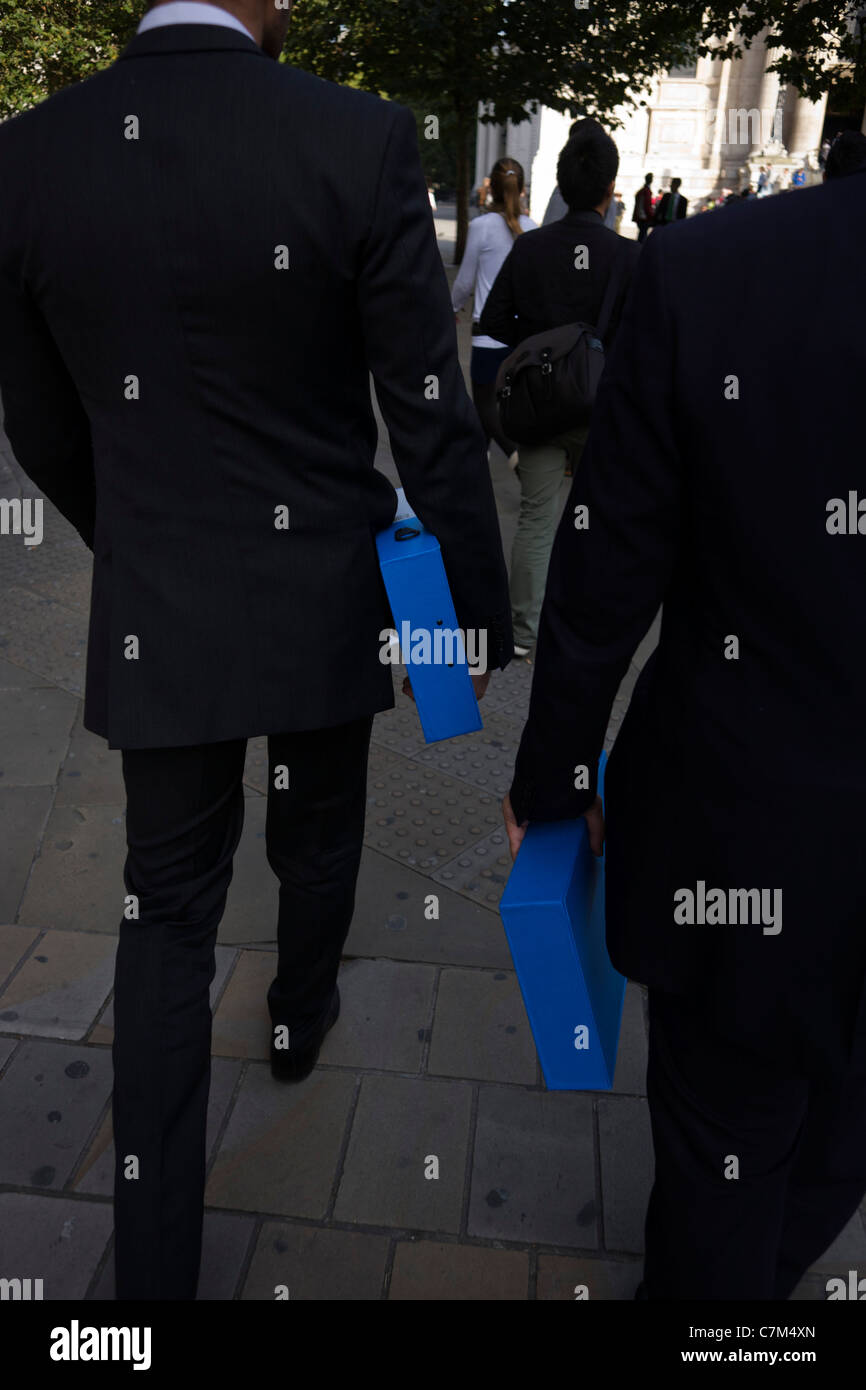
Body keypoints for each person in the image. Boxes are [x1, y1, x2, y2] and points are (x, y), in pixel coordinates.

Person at [0, 0, 512, 1300]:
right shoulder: (353, 138)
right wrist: (467, 613)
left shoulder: (33, 154)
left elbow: (42, 420)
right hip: (321, 589)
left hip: (161, 598)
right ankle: (294, 1019)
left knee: (163, 906)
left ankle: (154, 1266)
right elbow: (430, 409)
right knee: (319, 828)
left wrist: (137, 540)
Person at [503, 173, 866, 1300]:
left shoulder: (713, 266)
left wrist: (556, 780)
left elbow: (608, 568)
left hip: (739, 834)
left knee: (722, 1155)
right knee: (834, 1138)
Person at [480, 120, 640, 659]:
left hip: (541, 408)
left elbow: (494, 318)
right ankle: (587, 627)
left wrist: (537, 344)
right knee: (599, 520)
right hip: (605, 409)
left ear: (560, 185)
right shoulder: (628, 258)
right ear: (610, 190)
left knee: (536, 517)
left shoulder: (530, 249)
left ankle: (524, 632)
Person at [452, 158, 536, 466]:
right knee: (502, 404)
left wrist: (451, 307)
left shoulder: (480, 227)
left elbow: (464, 280)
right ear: (522, 189)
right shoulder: (532, 229)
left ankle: (515, 459)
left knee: (486, 405)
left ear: (491, 189)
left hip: (487, 334)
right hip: (520, 336)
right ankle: (478, 458)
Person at [632, 172, 654, 242]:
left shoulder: (642, 190)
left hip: (640, 217)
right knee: (642, 237)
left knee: (642, 235)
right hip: (644, 218)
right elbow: (647, 206)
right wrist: (651, 216)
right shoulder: (646, 191)